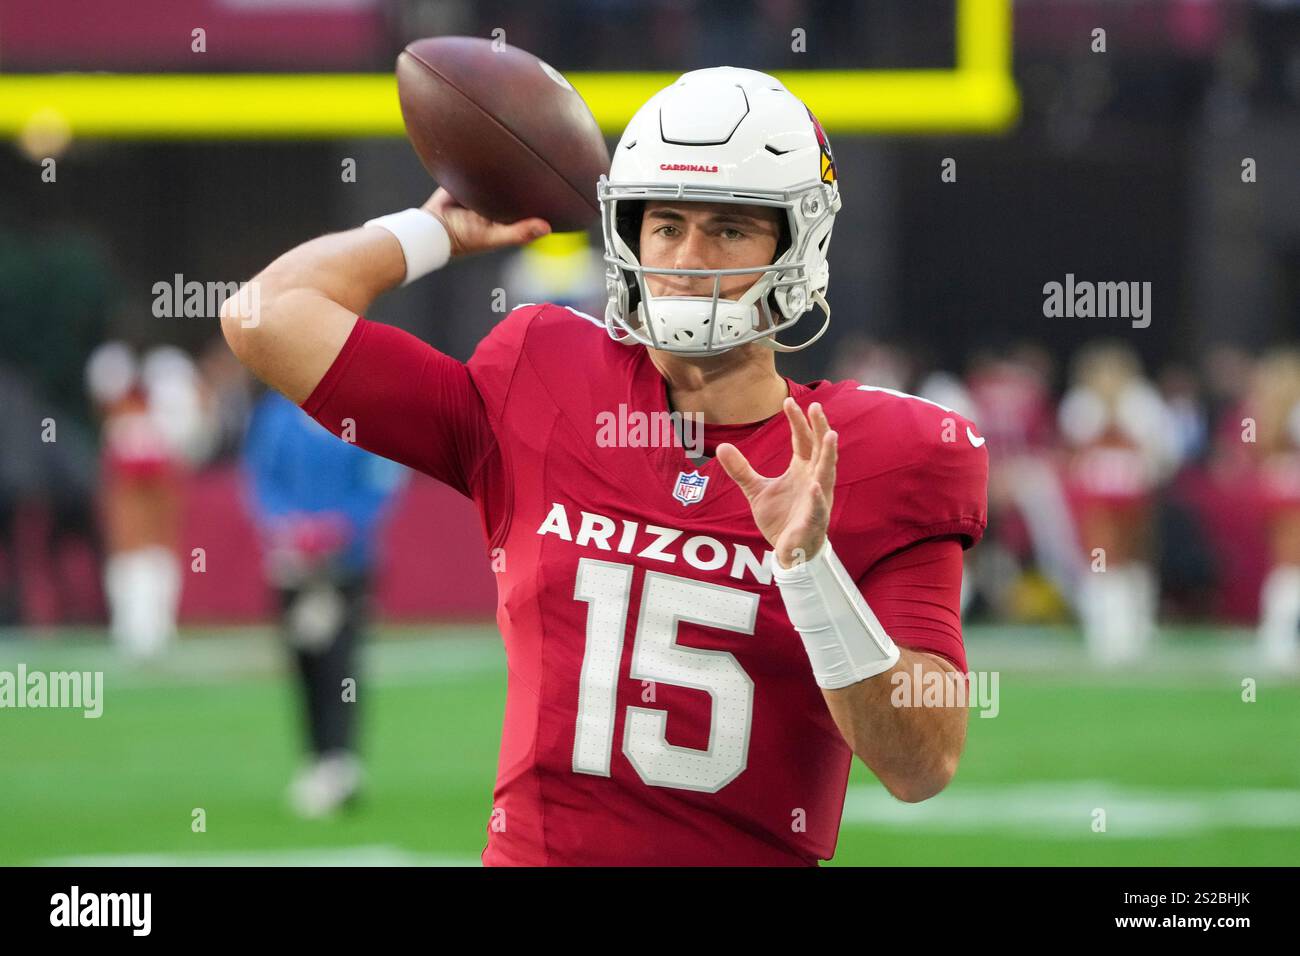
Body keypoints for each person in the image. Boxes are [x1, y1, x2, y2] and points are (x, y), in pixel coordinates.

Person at [221, 67, 988, 865]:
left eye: (728, 229)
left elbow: (921, 764)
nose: (689, 257)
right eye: (666, 225)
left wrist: (810, 572)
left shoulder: (876, 452)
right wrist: (434, 232)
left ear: (797, 245)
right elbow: (264, 315)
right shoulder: (542, 377)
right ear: (628, 235)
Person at [241, 388, 406, 817]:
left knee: (341, 658)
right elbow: (261, 479)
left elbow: (380, 478)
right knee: (304, 661)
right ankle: (316, 758)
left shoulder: (359, 410)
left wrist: (341, 527)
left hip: (347, 563)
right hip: (292, 563)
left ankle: (341, 758)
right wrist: (288, 526)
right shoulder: (277, 416)